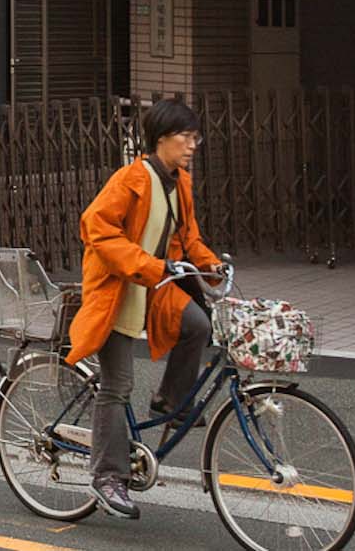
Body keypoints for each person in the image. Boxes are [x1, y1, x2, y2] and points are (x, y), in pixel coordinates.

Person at [65, 97, 223, 521]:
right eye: (186, 137)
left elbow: (188, 238)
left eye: (195, 137)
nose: (193, 145)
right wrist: (150, 266)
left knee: (198, 325)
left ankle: (169, 400)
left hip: (153, 284)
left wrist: (211, 265)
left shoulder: (180, 181)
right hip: (118, 289)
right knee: (117, 386)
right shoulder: (130, 179)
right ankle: (107, 476)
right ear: (161, 138)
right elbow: (95, 228)